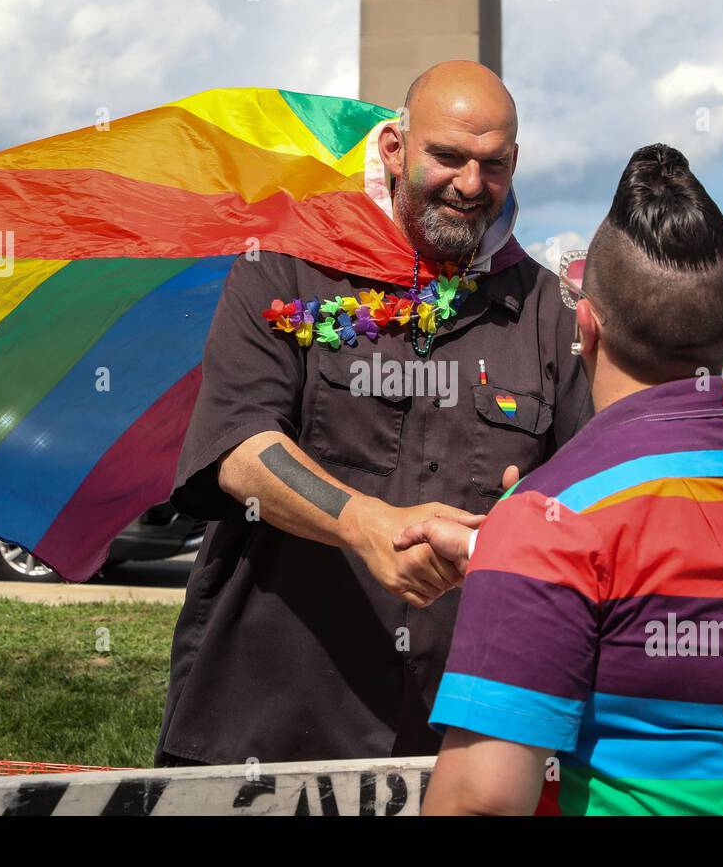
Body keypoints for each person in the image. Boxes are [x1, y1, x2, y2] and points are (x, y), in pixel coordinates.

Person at [154, 61, 593, 766]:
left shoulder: (546, 312)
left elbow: (592, 502)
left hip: (458, 748)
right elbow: (238, 447)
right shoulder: (285, 266)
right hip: (262, 730)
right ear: (394, 149)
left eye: (493, 165)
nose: (470, 186)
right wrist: (366, 525)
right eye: (446, 157)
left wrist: (533, 520)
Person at [403, 144, 723, 814]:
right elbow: (679, 586)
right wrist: (493, 554)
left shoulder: (550, 520)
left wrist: (518, 552)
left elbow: (481, 801)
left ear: (584, 325)